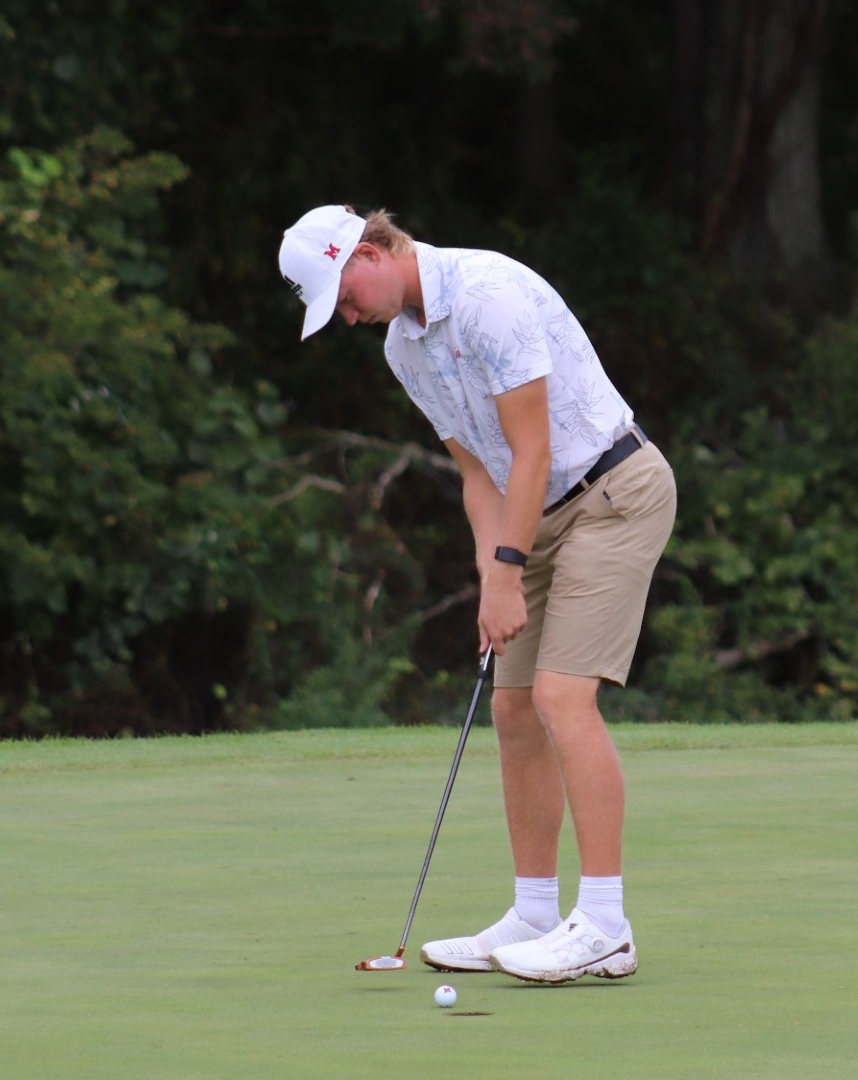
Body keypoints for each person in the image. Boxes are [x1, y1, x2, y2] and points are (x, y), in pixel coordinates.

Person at [278, 205, 676, 984]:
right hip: (534, 513)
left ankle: (605, 926)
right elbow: (477, 471)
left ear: (369, 251)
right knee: (513, 705)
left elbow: (533, 451)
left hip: (613, 492)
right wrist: (490, 576)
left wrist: (505, 568)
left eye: (345, 296)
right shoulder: (404, 348)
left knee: (563, 698)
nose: (349, 318)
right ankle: (533, 912)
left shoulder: (487, 293)